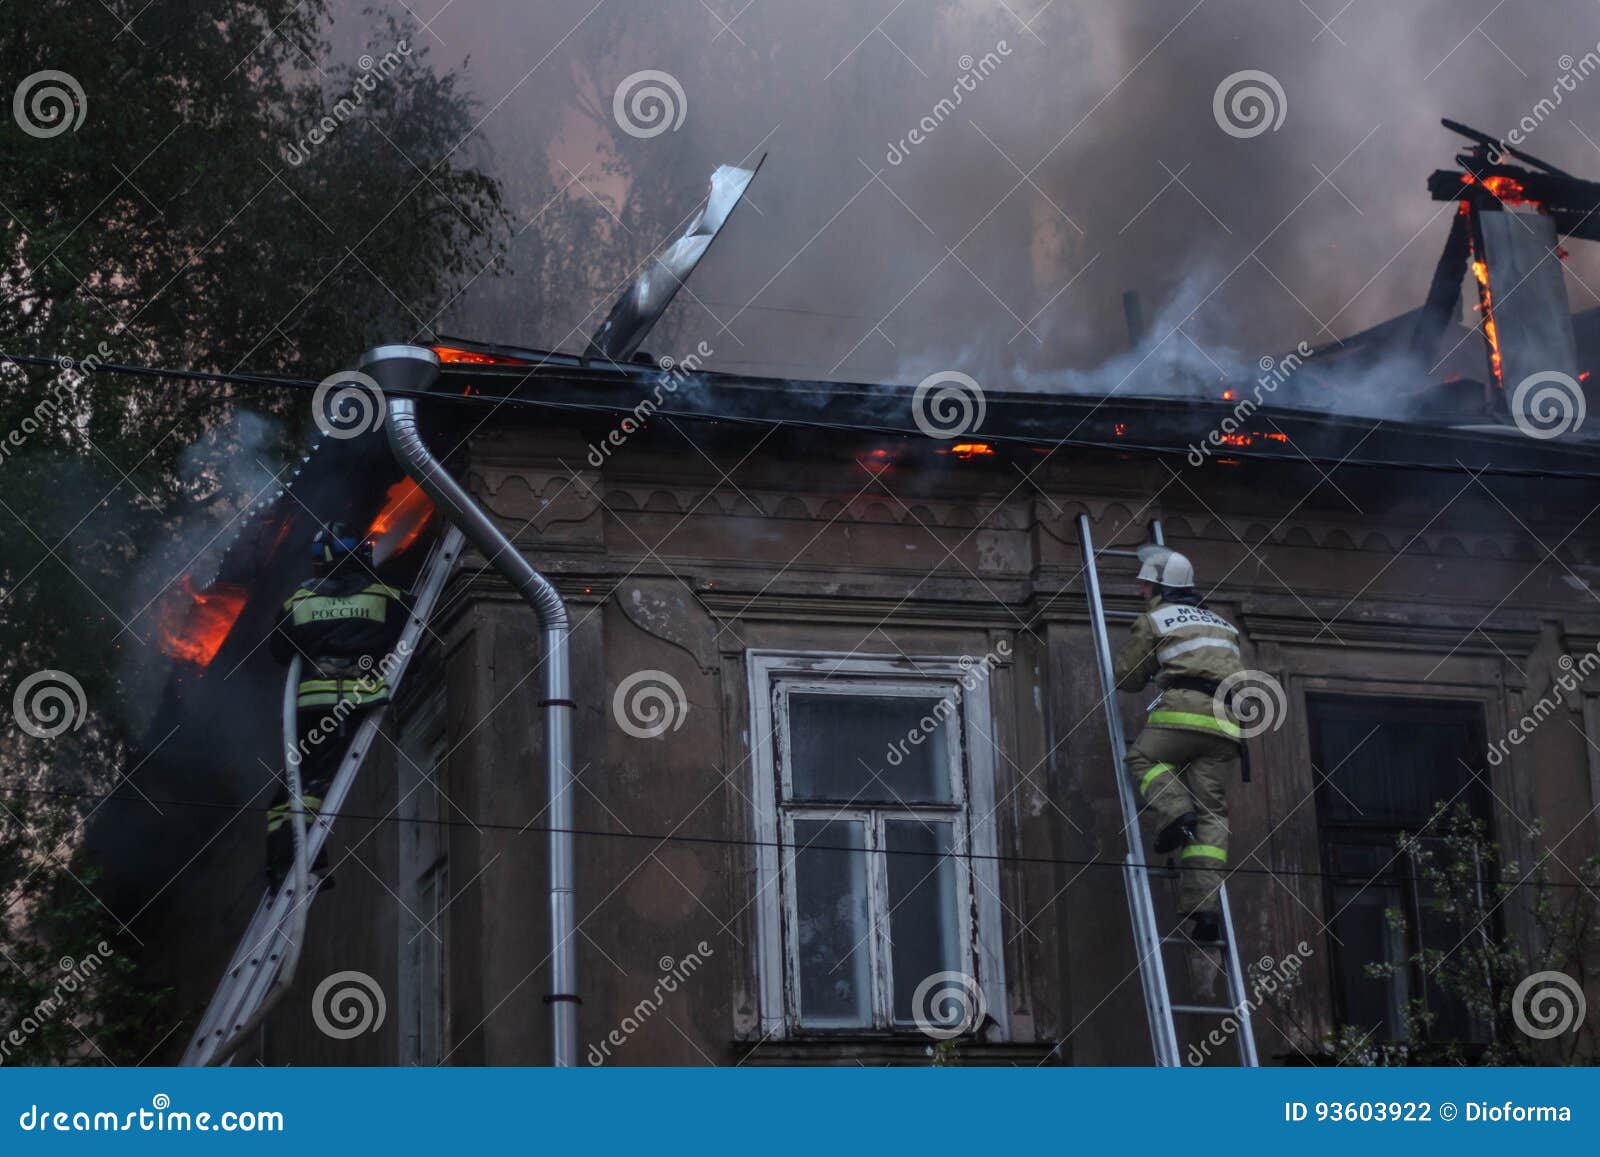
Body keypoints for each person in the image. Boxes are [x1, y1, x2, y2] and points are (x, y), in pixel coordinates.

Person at [1113, 543, 1245, 943]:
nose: (1141, 591)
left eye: (1146, 585)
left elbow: (1128, 677)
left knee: (1142, 757)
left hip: (1182, 713)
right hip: (1227, 724)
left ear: (1160, 588)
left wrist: (1150, 666)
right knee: (1213, 815)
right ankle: (1204, 909)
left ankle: (1173, 812)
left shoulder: (1155, 618)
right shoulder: (1223, 625)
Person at [265, 521, 408, 890]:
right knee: (316, 784)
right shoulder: (386, 596)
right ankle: (303, 861)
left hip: (311, 707)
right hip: (359, 701)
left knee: (298, 784)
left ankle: (290, 863)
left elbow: (279, 651)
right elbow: (413, 623)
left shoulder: (300, 601)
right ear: (359, 554)